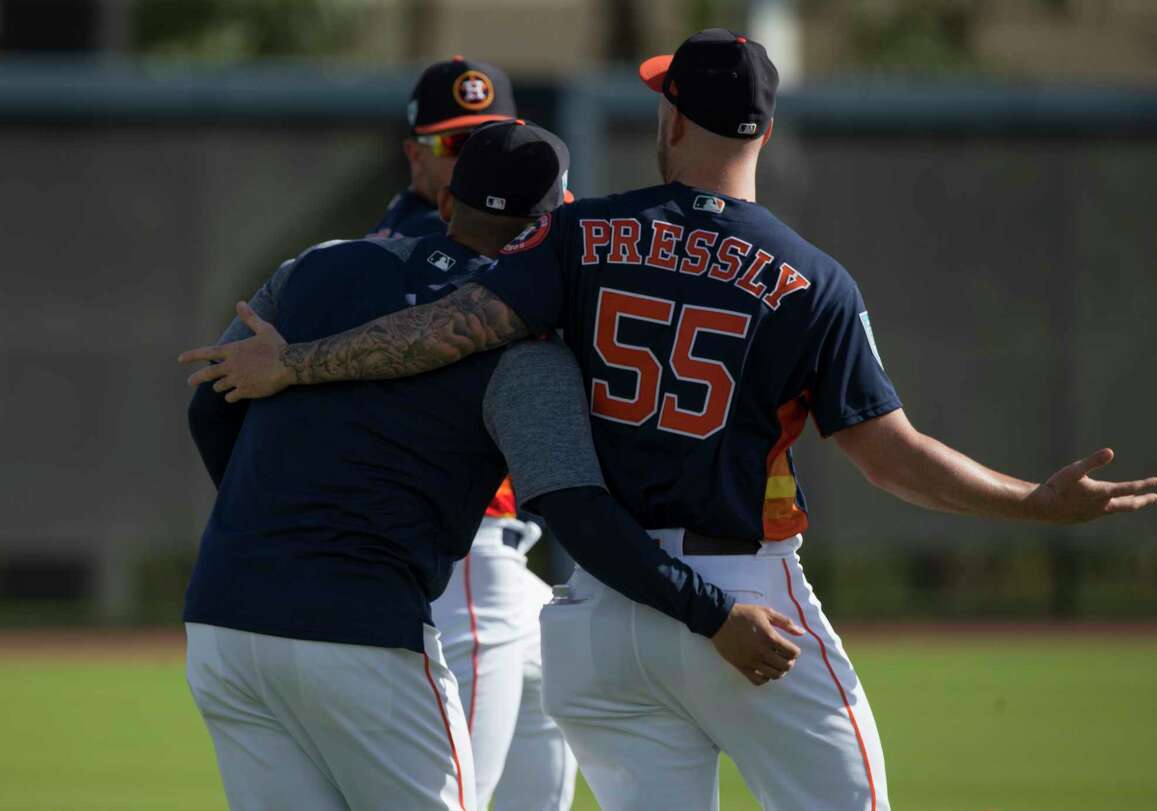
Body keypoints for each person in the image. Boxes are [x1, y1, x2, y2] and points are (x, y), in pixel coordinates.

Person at [180, 30, 1157, 811]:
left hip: (590, 616)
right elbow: (890, 456)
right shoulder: (814, 279)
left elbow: (442, 327)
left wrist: (294, 366)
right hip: (737, 589)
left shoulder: (573, 240)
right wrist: (1030, 502)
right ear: (765, 133)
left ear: (670, 118)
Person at [182, 120, 801, 811]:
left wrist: (268, 530)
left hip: (222, 622)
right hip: (360, 629)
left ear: (448, 203)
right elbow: (577, 513)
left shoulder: (313, 268)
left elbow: (210, 404)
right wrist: (711, 612)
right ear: (554, 225)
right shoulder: (527, 350)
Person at [367, 55, 577, 811]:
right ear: (415, 155)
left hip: (506, 557)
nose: (474, 158)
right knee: (455, 795)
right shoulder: (414, 249)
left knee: (541, 772)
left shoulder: (505, 235)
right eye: (455, 144)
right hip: (458, 553)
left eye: (490, 139)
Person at [370, 56, 517, 239]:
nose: (481, 158)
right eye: (459, 144)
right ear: (416, 154)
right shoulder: (426, 236)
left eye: (497, 142)